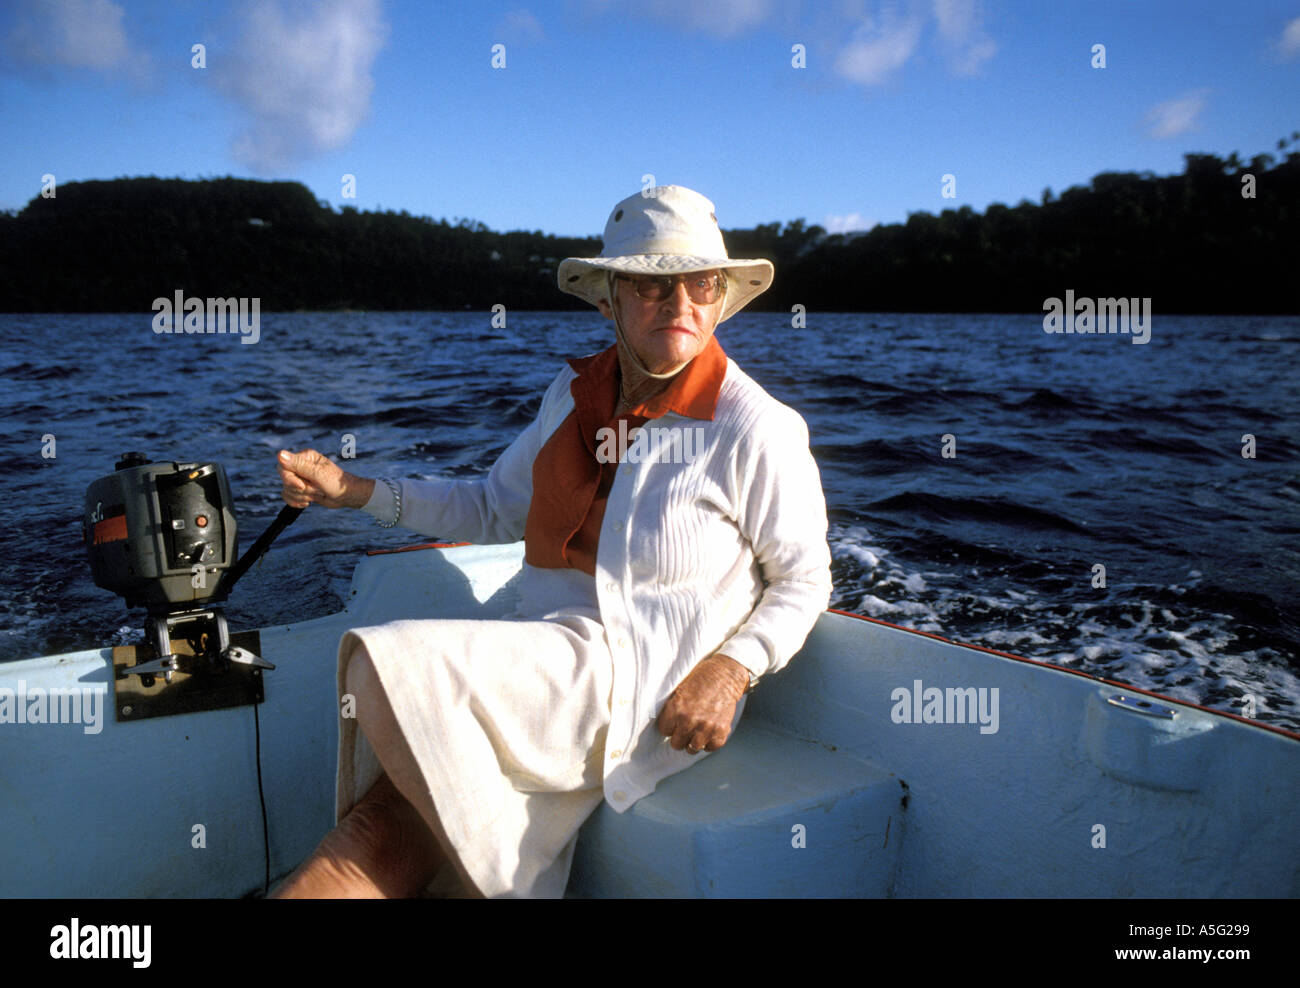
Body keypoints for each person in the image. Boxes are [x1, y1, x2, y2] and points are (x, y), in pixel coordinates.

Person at [270, 185, 832, 898]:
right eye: (653, 284)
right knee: (362, 844)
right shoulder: (570, 396)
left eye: (702, 283)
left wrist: (731, 670)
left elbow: (805, 578)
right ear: (609, 299)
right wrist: (352, 490)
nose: (680, 301)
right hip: (540, 656)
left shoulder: (756, 425)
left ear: (721, 297)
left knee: (381, 666)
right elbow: (489, 508)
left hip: (640, 689)